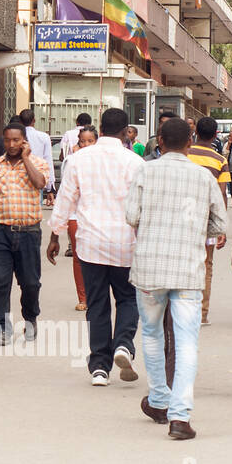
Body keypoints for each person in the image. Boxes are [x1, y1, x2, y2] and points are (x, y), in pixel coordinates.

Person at [123, 116, 228, 440]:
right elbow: (219, 224)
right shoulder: (203, 177)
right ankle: (179, 417)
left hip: (150, 270)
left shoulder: (145, 170)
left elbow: (131, 215)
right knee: (186, 343)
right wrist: (197, 231)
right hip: (188, 271)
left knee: (153, 335)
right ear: (189, 143)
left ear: (160, 141)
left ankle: (159, 400)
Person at [47, 109, 143, 386]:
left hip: (90, 244)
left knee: (97, 304)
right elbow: (142, 206)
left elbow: (65, 199)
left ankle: (100, 367)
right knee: (127, 298)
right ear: (126, 132)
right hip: (125, 243)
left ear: (100, 129)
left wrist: (56, 235)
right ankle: (123, 344)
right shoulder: (136, 163)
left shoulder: (78, 159)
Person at [0, 122, 50, 345]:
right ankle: (2, 329)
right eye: (7, 140)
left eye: (16, 140)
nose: (11, 144)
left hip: (28, 233)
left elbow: (39, 183)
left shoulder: (38, 163)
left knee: (30, 283)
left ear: (24, 140)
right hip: (1, 232)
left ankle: (30, 319)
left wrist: (26, 158)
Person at [187, 117, 230, 327]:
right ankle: (202, 313)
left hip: (183, 219)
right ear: (215, 135)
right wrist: (221, 227)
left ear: (195, 132)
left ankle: (181, 309)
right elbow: (222, 195)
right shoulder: (220, 160)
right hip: (207, 221)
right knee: (206, 265)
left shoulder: (185, 155)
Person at [56, 125, 97, 311]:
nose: (86, 144)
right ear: (77, 143)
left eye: (90, 141)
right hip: (75, 214)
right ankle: (83, 297)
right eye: (83, 141)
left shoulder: (102, 161)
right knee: (79, 257)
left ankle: (96, 294)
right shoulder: (71, 161)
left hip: (97, 215)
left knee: (97, 257)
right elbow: (66, 191)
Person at [18, 108, 55, 202]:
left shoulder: (16, 137)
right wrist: (50, 187)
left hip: (19, 178)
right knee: (35, 210)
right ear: (34, 120)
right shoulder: (44, 137)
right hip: (38, 177)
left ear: (20, 121)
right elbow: (48, 160)